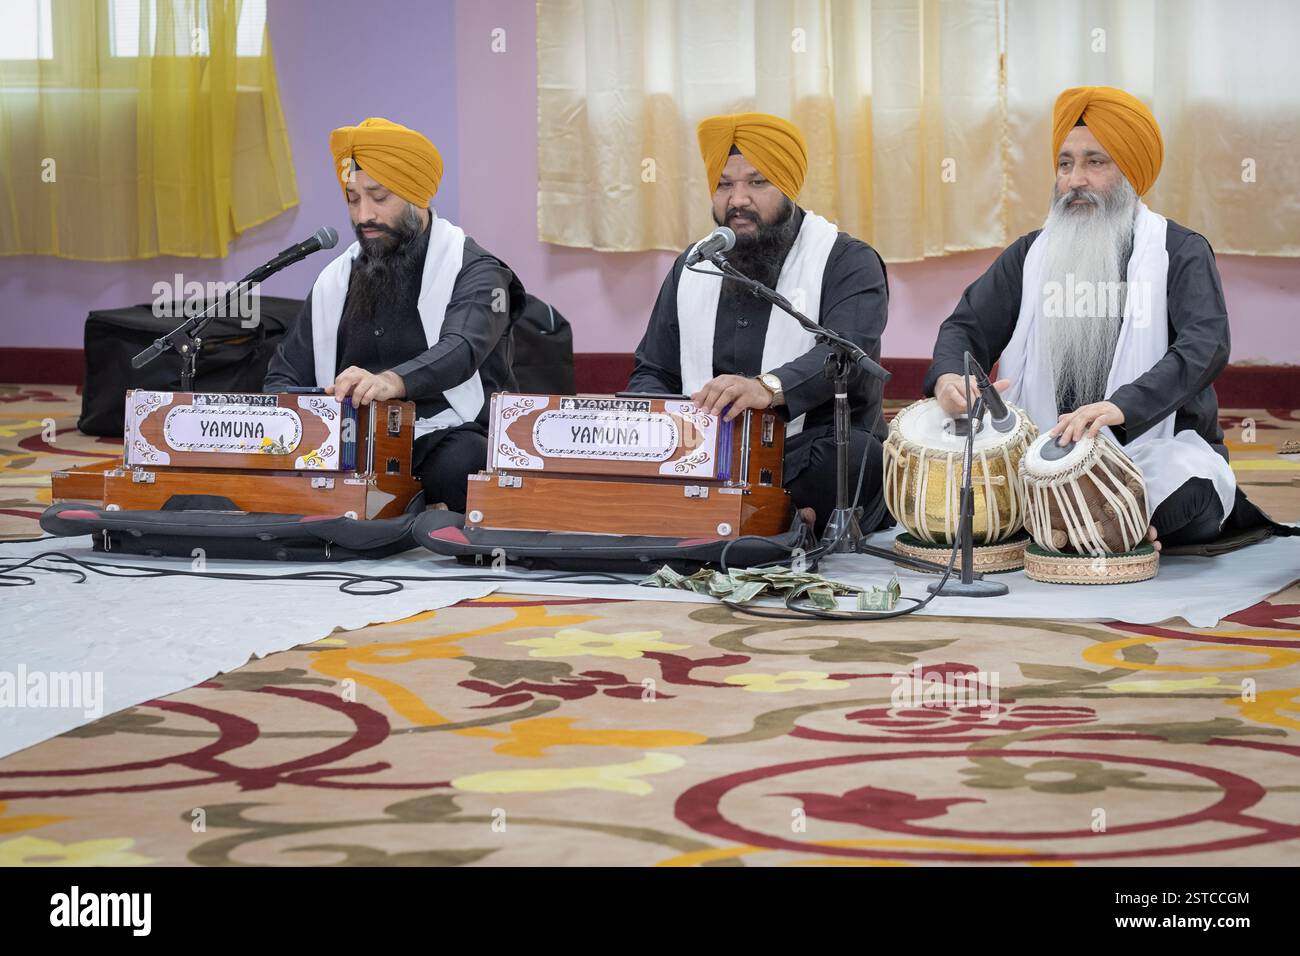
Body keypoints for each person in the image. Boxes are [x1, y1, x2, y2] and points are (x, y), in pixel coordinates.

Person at [925, 87, 1293, 552]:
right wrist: (948, 379)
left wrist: (1123, 407)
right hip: (1042, 453)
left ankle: (1103, 523)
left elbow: (1206, 344)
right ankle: (1100, 527)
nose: (1075, 179)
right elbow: (965, 327)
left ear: (1129, 172)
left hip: (1151, 451)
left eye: (1095, 162)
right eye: (1065, 164)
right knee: (953, 482)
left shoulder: (1178, 252)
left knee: (1192, 492)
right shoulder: (1030, 255)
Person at [629, 112, 892, 537]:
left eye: (757, 182)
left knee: (854, 457)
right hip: (704, 453)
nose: (738, 200)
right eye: (724, 185)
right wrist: (656, 427)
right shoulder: (694, 266)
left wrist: (767, 388)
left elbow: (843, 353)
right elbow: (654, 369)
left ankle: (762, 520)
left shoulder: (847, 261)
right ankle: (759, 520)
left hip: (803, 453)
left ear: (788, 186)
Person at [264, 117, 524, 513]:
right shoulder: (336, 278)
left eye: (379, 197)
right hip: (350, 442)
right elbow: (284, 374)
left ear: (416, 195)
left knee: (464, 464)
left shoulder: (477, 270)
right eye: (353, 199)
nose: (364, 215)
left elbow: (461, 349)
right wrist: (303, 418)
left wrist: (391, 382)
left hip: (445, 435)